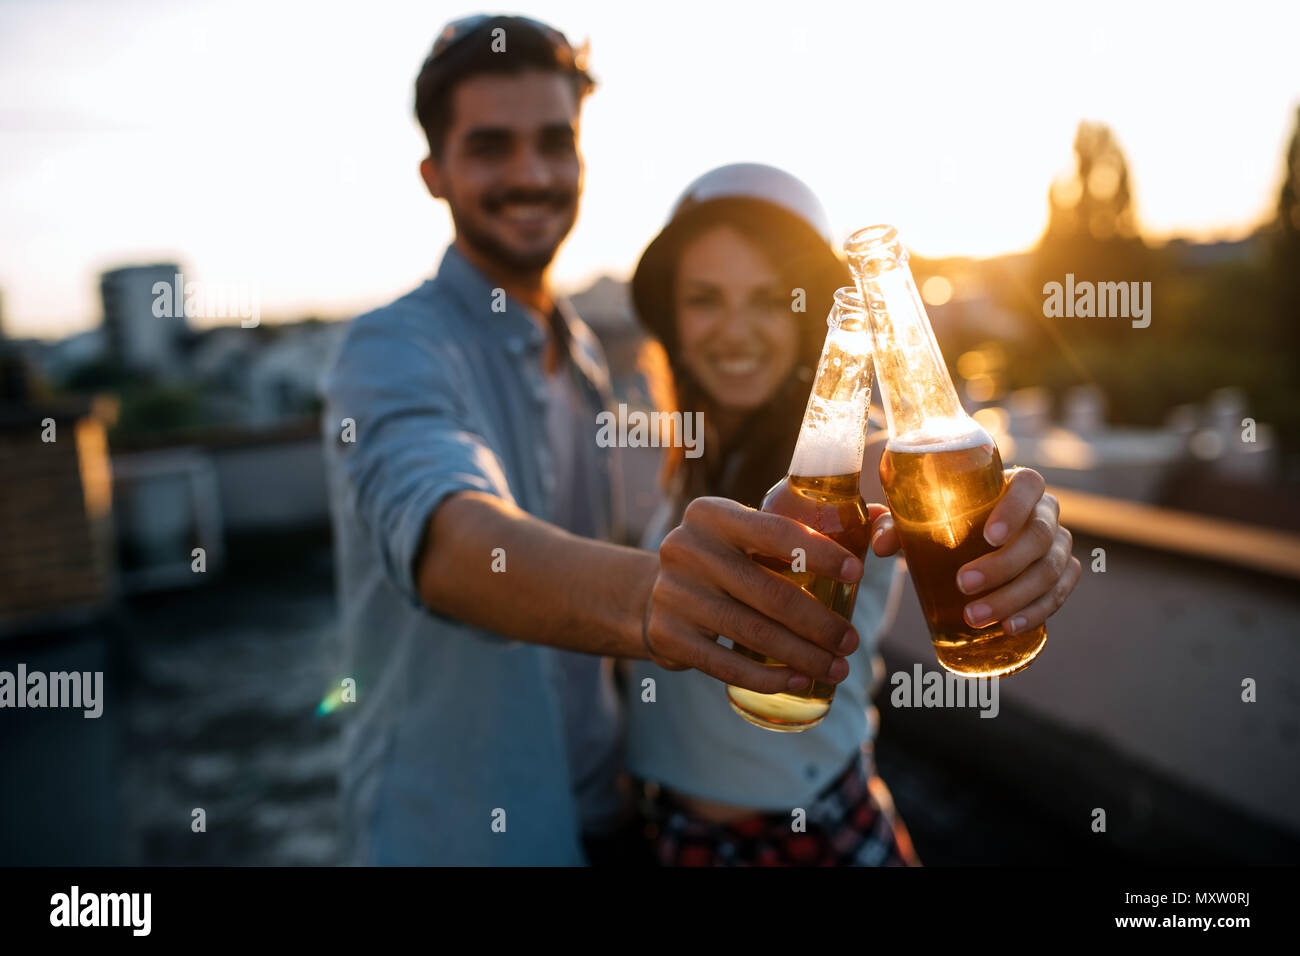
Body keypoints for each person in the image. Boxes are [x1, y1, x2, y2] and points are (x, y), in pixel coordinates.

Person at [321, 16, 888, 866]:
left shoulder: (586, 363)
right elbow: (444, 532)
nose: (530, 174)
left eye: (555, 142)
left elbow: (931, 496)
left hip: (611, 822)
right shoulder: (392, 349)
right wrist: (656, 600)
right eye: (490, 147)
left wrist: (1012, 539)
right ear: (433, 173)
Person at [622, 163, 1083, 865]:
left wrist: (1028, 534)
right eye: (706, 299)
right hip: (676, 832)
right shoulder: (693, 450)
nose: (736, 329)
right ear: (674, 319)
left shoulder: (848, 461)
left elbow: (945, 465)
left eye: (769, 299)